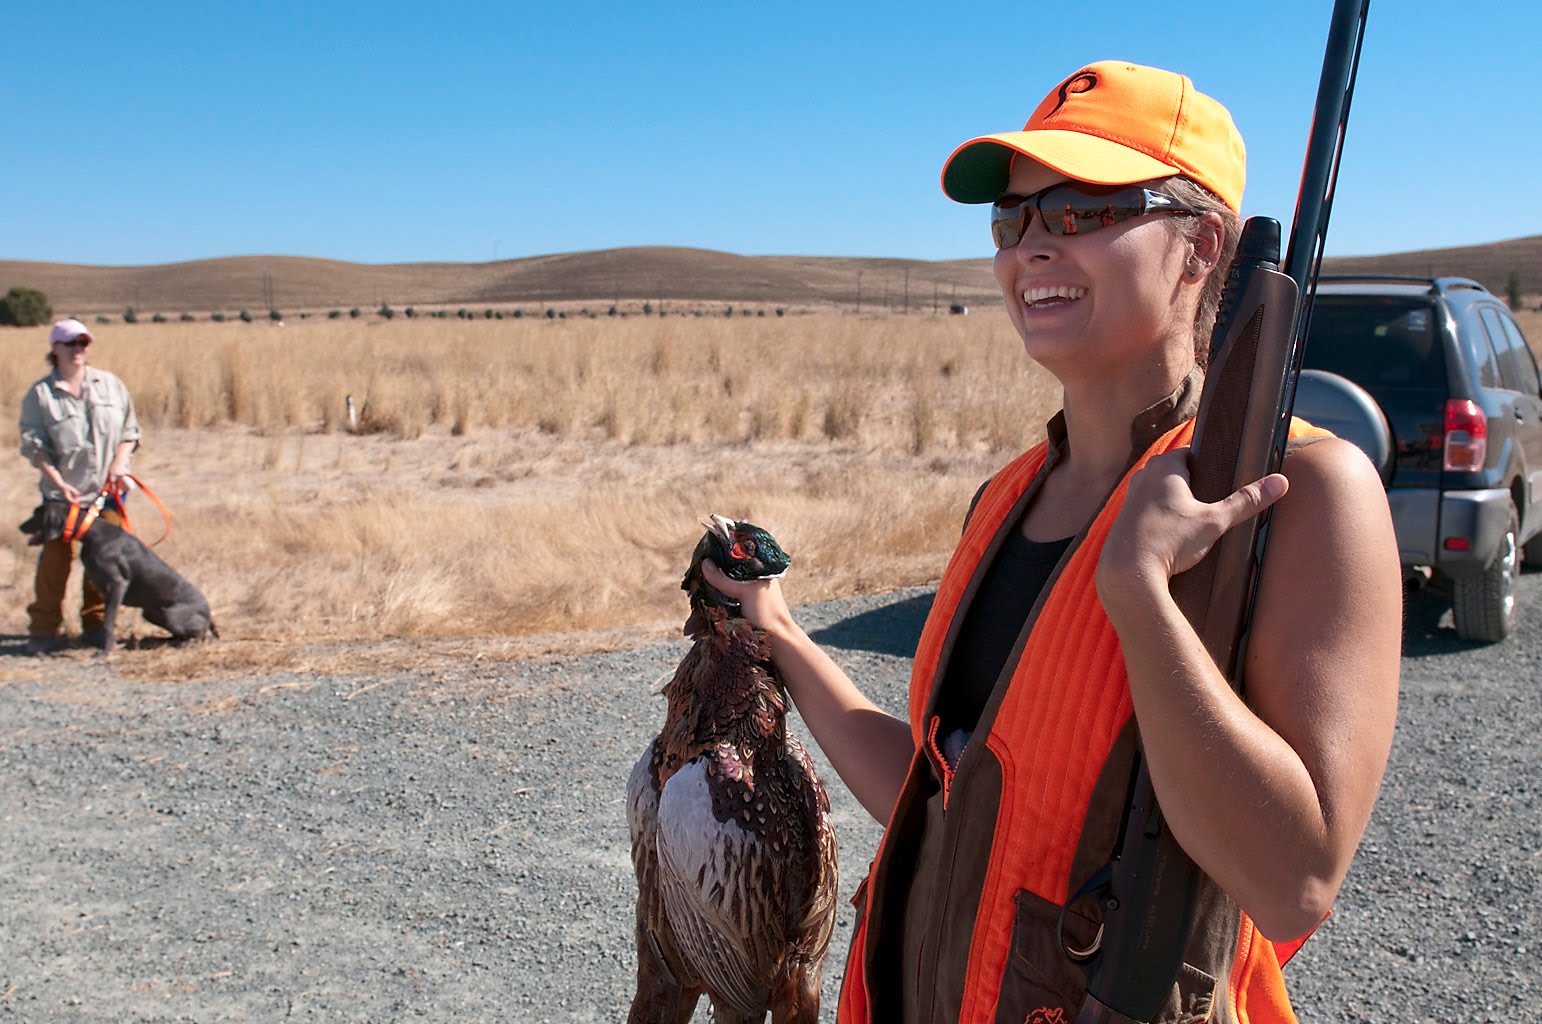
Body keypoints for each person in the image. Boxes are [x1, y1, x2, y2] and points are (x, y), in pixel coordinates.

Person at [704, 60, 1401, 1023]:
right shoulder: (1005, 498)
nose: (1029, 248)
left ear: (1202, 247)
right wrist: (776, 629)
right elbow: (935, 793)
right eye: (1011, 221)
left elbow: (1293, 877)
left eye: (1076, 212)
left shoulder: (1307, 493)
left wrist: (1141, 598)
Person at [18, 318, 142, 654]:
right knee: (55, 564)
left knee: (103, 563)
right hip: (63, 498)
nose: (79, 350)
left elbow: (129, 433)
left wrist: (120, 463)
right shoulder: (40, 394)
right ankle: (43, 630)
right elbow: (34, 445)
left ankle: (96, 626)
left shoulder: (111, 385)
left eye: (84, 343)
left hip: (107, 495)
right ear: (55, 348)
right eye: (71, 343)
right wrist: (57, 481)